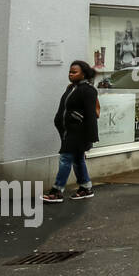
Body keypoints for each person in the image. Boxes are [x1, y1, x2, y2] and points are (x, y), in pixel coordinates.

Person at [45, 61, 100, 202]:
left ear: (84, 74)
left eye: (74, 72)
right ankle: (86, 188)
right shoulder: (71, 88)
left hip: (79, 133)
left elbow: (91, 115)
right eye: (70, 71)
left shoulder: (88, 90)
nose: (70, 74)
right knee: (77, 159)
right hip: (67, 131)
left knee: (65, 158)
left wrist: (92, 136)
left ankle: (57, 191)